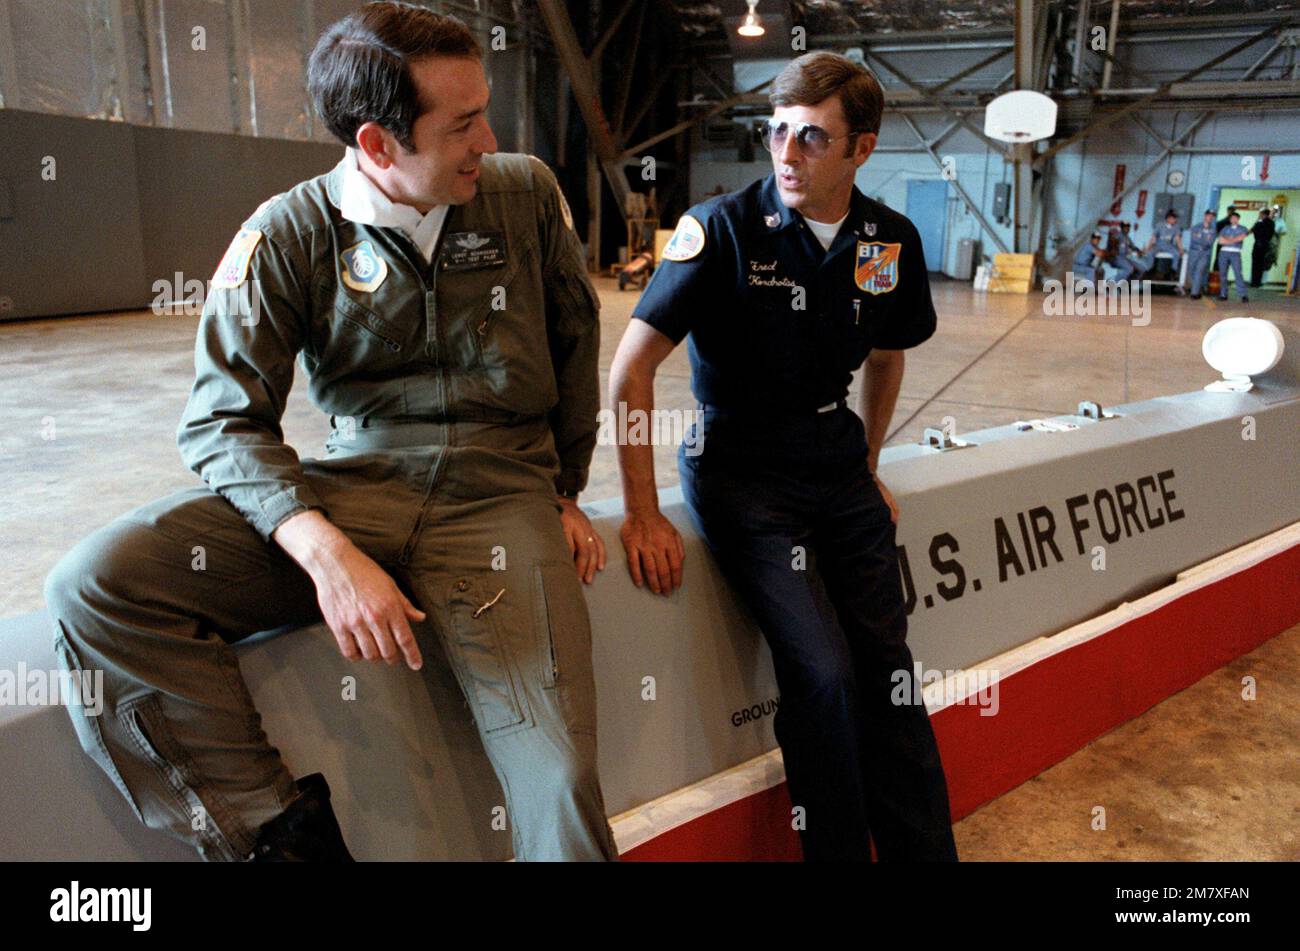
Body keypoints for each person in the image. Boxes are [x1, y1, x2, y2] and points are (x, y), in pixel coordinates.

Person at [44, 1, 618, 863]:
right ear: (379, 144)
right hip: (359, 492)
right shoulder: (287, 235)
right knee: (100, 580)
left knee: (560, 779)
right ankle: (283, 842)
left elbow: (578, 349)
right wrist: (323, 550)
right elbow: (219, 419)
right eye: (462, 124)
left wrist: (563, 491)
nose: (488, 139)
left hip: (500, 501)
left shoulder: (525, 195)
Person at [608, 51, 958, 862]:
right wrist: (639, 509)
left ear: (860, 150)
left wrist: (868, 462)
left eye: (811, 138)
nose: (787, 154)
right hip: (743, 472)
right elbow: (630, 371)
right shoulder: (723, 229)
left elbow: (888, 353)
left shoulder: (887, 239)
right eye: (776, 133)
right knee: (825, 675)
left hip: (835, 463)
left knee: (889, 675)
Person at [1217, 210, 1249, 301]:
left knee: (1238, 273)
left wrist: (1227, 240)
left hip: (1235, 253)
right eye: (1232, 218)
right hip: (1223, 252)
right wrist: (1234, 240)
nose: (1234, 220)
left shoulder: (1243, 228)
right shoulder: (1225, 228)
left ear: (1238, 219)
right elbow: (1220, 241)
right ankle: (1223, 294)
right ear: (1230, 219)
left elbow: (1241, 237)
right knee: (1223, 273)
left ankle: (1243, 295)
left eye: (1236, 218)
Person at [1187, 209, 1217, 300]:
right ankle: (1196, 288)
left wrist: (1203, 240)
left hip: (1204, 253)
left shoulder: (1213, 229)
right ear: (1205, 216)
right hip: (1194, 252)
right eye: (1208, 215)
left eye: (1212, 216)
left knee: (1199, 271)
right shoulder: (1196, 227)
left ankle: (1194, 293)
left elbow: (1210, 242)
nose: (1210, 218)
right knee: (1191, 270)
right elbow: (1194, 239)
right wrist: (1205, 239)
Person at [1144, 209, 1184, 277]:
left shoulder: (1176, 227)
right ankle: (1149, 269)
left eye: (1175, 218)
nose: (1175, 220)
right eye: (1173, 218)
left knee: (1176, 254)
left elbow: (1178, 239)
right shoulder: (1160, 225)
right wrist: (1148, 247)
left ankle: (1173, 271)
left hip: (1169, 245)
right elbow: (1154, 237)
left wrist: (1181, 249)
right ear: (1168, 218)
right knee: (1150, 253)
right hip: (1159, 244)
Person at [1250, 208, 1275, 288]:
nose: (1259, 215)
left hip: (1258, 245)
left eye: (1260, 214)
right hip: (1265, 246)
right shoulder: (1272, 223)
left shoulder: (1260, 223)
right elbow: (1271, 234)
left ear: (1263, 214)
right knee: (1261, 265)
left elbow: (1254, 231)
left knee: (1255, 264)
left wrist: (1257, 221)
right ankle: (1258, 282)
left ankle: (1254, 282)